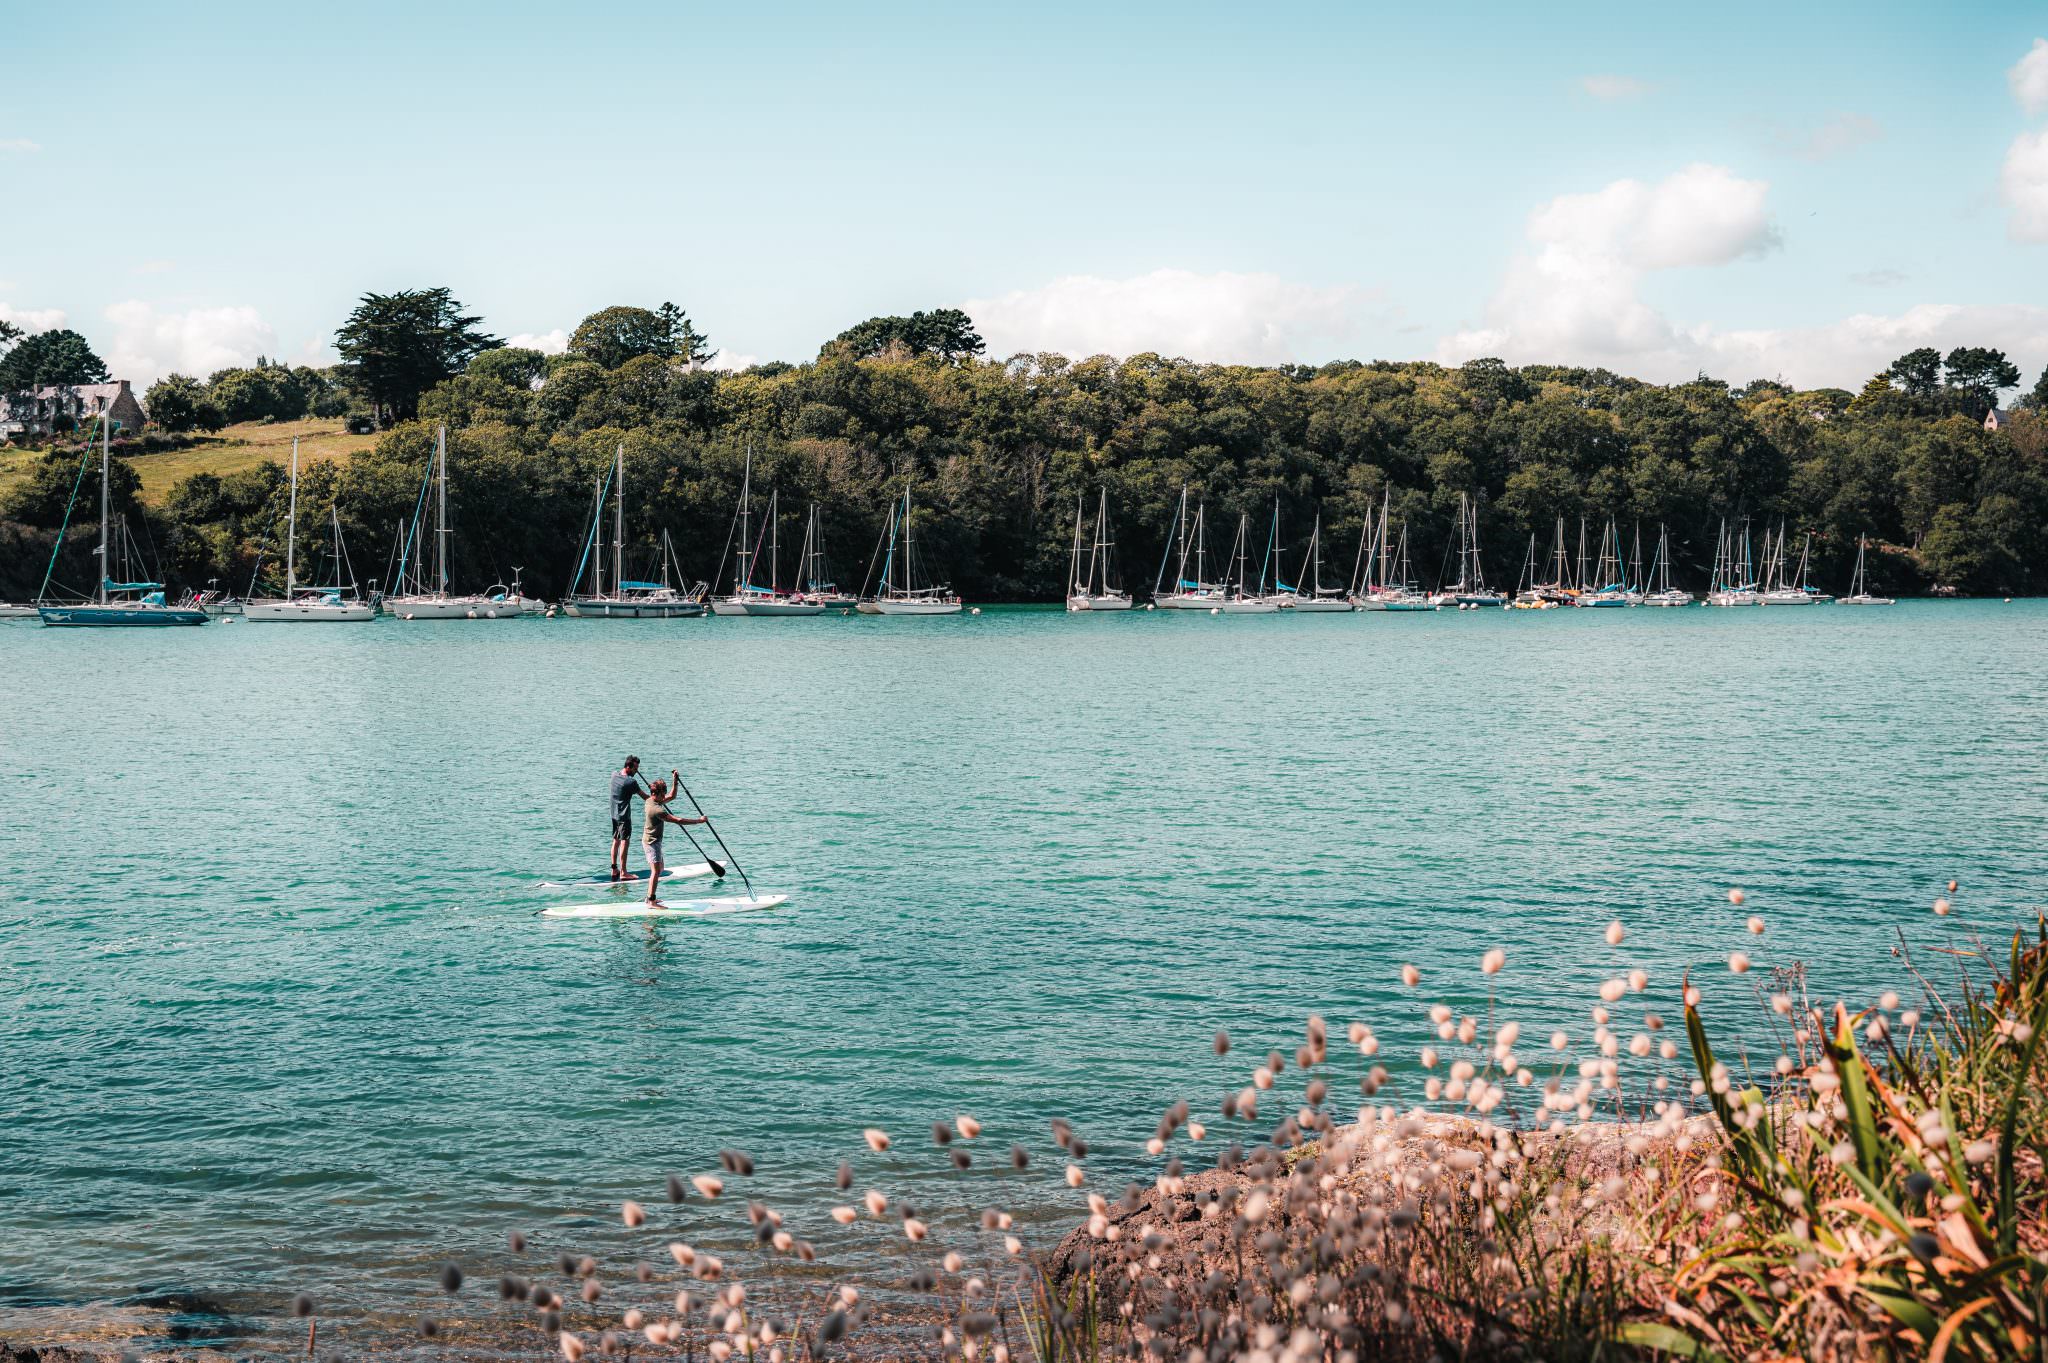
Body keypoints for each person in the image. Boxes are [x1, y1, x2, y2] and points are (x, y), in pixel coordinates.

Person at [641, 775, 706, 904]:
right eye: (663, 794)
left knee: (659, 870)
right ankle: (651, 900)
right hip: (651, 842)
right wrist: (699, 821)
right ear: (658, 793)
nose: (665, 797)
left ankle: (649, 896)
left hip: (653, 841)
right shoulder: (657, 810)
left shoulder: (650, 800)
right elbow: (679, 820)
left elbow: (672, 796)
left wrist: (675, 782)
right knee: (655, 871)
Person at [610, 757, 645, 881]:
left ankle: (614, 869)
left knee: (616, 840)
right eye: (635, 769)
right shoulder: (630, 782)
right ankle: (623, 872)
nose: (637, 771)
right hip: (624, 816)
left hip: (614, 814)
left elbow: (621, 774)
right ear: (628, 767)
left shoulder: (614, 775)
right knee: (625, 841)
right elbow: (645, 797)